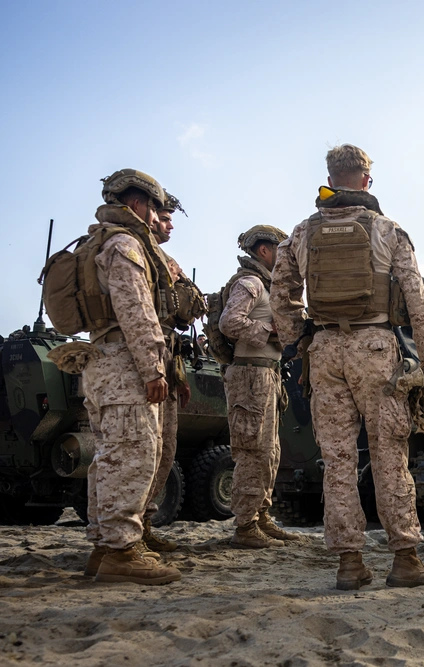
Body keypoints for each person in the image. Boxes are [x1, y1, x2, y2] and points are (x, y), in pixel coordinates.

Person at [271, 144, 424, 590]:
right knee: (389, 454)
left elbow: (281, 292)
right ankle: (405, 559)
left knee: (337, 460)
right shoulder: (387, 229)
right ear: (367, 180)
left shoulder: (301, 233)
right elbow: (416, 296)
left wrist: (297, 340)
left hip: (325, 349)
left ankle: (350, 563)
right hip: (375, 348)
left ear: (331, 178)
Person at [80, 169, 182, 584]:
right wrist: (153, 369)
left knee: (109, 457)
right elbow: (137, 311)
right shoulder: (125, 244)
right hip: (124, 364)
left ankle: (104, 547)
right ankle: (121, 552)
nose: (157, 217)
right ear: (138, 204)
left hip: (104, 361)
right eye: (155, 209)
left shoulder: (102, 241)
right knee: (132, 455)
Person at [219, 224, 299, 548]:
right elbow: (229, 322)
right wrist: (270, 331)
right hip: (250, 376)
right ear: (264, 250)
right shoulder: (250, 283)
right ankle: (245, 525)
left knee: (270, 452)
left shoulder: (268, 287)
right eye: (280, 251)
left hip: (266, 375)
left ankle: (260, 516)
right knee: (252, 451)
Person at [140, 192, 204, 553]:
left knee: (164, 449)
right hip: (141, 363)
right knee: (141, 451)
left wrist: (176, 376)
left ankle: (143, 525)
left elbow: (179, 318)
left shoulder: (165, 261)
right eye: (164, 218)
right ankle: (121, 538)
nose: (169, 225)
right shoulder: (134, 253)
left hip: (164, 360)